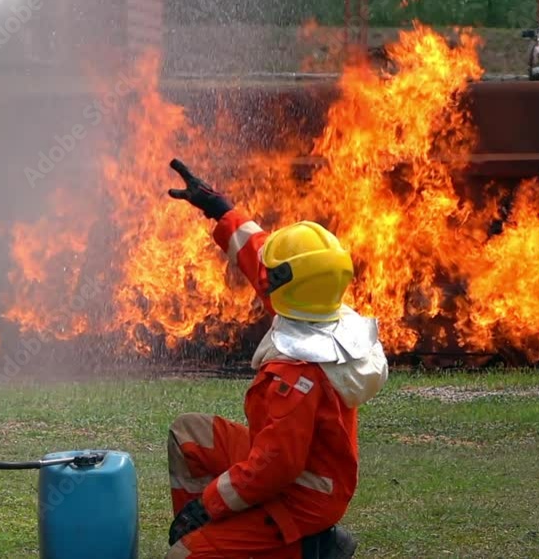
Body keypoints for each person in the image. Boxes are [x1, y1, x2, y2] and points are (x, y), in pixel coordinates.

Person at [162, 159, 388, 559]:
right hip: (290, 465)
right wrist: (217, 207)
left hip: (303, 494)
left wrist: (209, 503)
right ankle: (217, 531)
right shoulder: (318, 308)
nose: (262, 270)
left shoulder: (295, 375)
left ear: (285, 284)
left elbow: (273, 469)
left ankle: (310, 548)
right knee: (188, 435)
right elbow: (258, 254)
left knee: (185, 555)